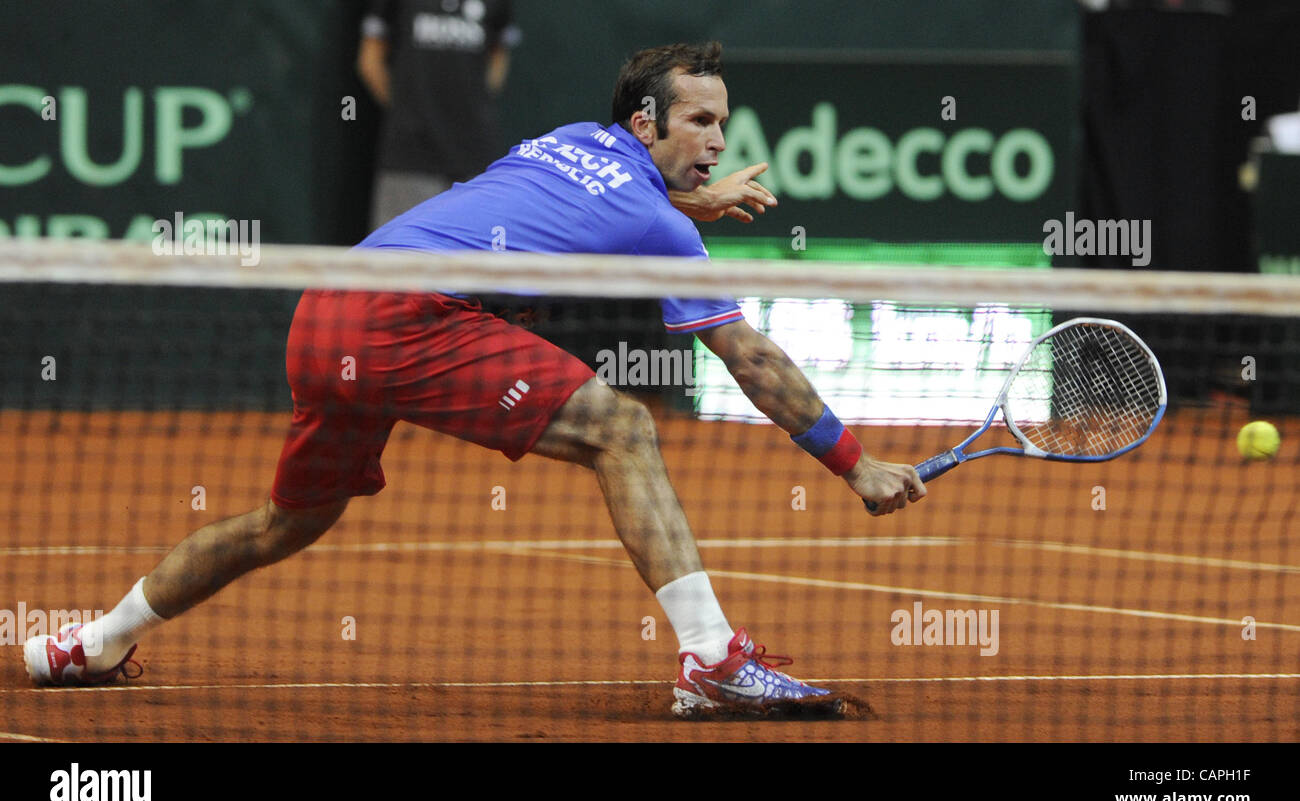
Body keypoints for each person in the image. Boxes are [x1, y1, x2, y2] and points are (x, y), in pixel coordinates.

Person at [23, 42, 925, 718]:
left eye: (724, 122)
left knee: (284, 522)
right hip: (407, 318)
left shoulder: (570, 139)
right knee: (622, 427)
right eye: (699, 122)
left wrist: (693, 198)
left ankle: (87, 645)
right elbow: (752, 359)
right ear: (645, 124)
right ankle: (711, 658)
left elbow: (589, 204)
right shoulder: (666, 228)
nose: (718, 139)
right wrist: (854, 463)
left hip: (328, 307)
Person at [357, 0, 518, 228]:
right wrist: (406, 109)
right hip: (410, 156)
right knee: (400, 255)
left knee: (474, 258)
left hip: (474, 157)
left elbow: (498, 55)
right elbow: (369, 61)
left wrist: (473, 104)